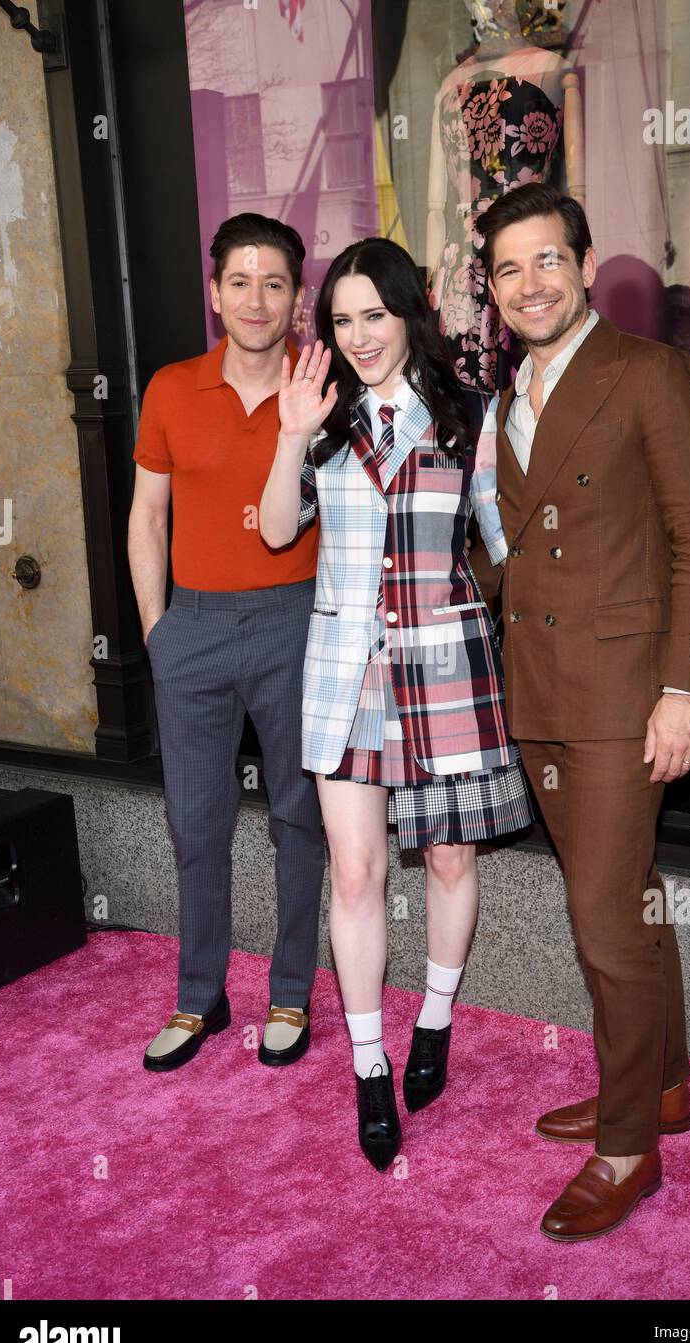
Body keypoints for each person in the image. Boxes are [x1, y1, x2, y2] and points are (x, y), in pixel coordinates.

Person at [467, 183, 690, 1239]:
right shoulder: (505, 397)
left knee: (604, 922)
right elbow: (509, 545)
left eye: (546, 261)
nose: (528, 284)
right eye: (506, 269)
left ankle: (628, 1145)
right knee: (630, 899)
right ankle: (660, 1082)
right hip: (538, 687)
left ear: (583, 265)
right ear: (488, 290)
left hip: (627, 696)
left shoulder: (650, 373)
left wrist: (685, 687)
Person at [259, 237, 534, 1171]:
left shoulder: (467, 414)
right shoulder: (323, 416)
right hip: (343, 670)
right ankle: (370, 1064)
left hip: (445, 662)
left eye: (374, 313)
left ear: (410, 311)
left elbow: (504, 542)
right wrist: (291, 432)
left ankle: (437, 1021)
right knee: (355, 873)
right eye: (341, 319)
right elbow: (273, 530)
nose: (359, 335)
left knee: (452, 858)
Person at [129, 213, 325, 1074]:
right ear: (215, 295)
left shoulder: (321, 389)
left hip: (294, 620)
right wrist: (157, 631)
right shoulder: (171, 387)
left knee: (297, 815)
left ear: (296, 299)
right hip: (193, 628)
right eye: (239, 282)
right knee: (195, 819)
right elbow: (146, 516)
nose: (256, 299)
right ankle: (198, 996)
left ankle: (291, 992)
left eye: (274, 283)